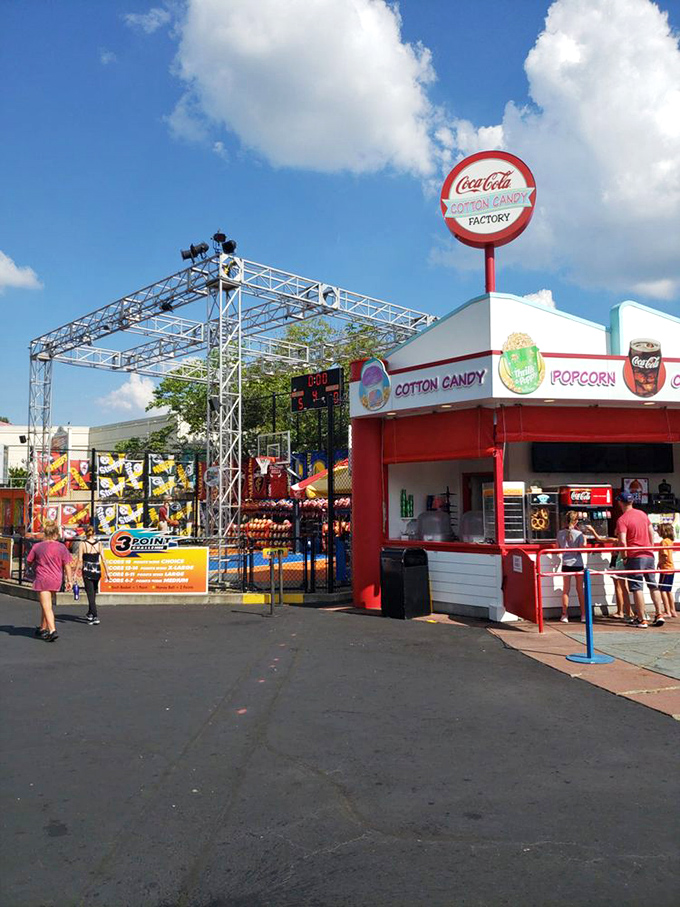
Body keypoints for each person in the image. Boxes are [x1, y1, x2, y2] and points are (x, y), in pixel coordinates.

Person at [615, 491, 664, 628]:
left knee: (637, 587)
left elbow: (623, 541)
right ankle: (659, 614)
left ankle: (642, 619)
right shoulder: (642, 514)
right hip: (648, 554)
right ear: (632, 501)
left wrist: (624, 556)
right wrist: (651, 548)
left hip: (634, 555)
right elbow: (651, 532)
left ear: (620, 502)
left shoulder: (622, 519)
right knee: (653, 584)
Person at [26, 519, 74, 642]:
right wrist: (70, 580)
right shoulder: (61, 547)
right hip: (56, 578)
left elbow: (29, 561)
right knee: (46, 604)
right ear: (56, 534)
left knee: (46, 606)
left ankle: (52, 630)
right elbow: (67, 565)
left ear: (44, 533)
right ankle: (43, 627)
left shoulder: (37, 547)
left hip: (42, 578)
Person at [583, 525, 632, 620]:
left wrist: (593, 530)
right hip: (619, 564)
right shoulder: (623, 541)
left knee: (620, 588)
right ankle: (626, 611)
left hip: (617, 564)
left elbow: (600, 539)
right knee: (622, 588)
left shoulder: (616, 540)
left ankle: (622, 611)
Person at [556, 511, 586, 623]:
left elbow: (557, 548)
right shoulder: (579, 534)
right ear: (576, 521)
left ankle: (564, 615)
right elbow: (582, 549)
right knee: (580, 590)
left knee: (566, 590)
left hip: (565, 564)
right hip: (577, 563)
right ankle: (583, 615)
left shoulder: (560, 533)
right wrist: (585, 539)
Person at [75, 526, 108, 625]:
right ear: (94, 533)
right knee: (93, 592)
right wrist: (108, 572)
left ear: (86, 533)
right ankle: (90, 613)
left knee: (89, 593)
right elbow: (103, 559)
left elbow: (80, 559)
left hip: (87, 569)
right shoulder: (99, 544)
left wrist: (76, 571)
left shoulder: (83, 544)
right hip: (97, 569)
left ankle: (95, 615)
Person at [657, 523, 677, 618]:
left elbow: (664, 556)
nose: (657, 531)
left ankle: (667, 610)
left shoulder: (663, 542)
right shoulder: (670, 541)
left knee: (662, 590)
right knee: (668, 590)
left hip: (665, 568)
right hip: (671, 568)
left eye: (659, 530)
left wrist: (659, 563)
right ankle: (673, 610)